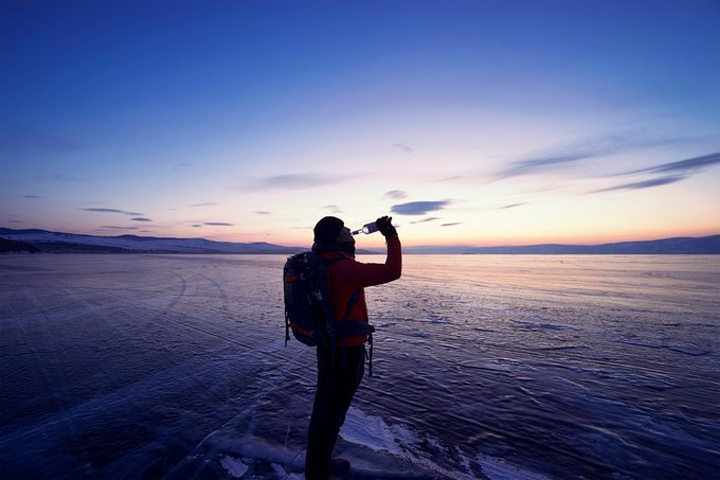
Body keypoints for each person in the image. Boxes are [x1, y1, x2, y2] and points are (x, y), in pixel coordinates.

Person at [305, 215, 402, 479]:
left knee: (325, 407)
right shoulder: (342, 269)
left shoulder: (321, 262)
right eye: (345, 228)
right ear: (337, 237)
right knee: (332, 413)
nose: (351, 231)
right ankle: (318, 472)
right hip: (345, 352)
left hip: (328, 346)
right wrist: (390, 235)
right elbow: (392, 271)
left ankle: (318, 465)